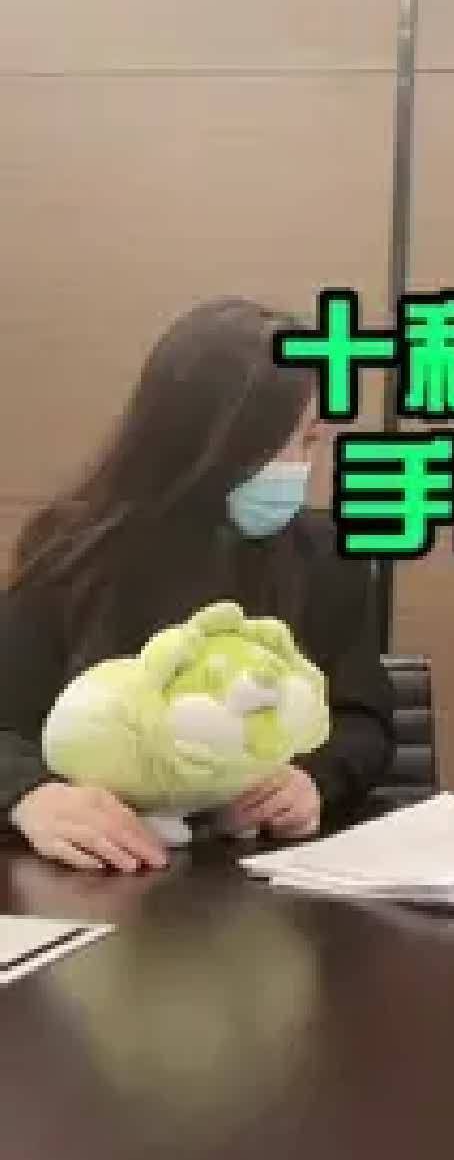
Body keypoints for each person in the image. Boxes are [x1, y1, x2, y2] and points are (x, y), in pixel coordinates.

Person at [0, 296, 394, 874]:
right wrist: (30, 795)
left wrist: (315, 781)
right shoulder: (73, 550)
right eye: (287, 441)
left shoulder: (326, 555)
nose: (300, 465)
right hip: (102, 871)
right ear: (212, 443)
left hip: (262, 876)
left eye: (313, 441)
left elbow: (365, 721)